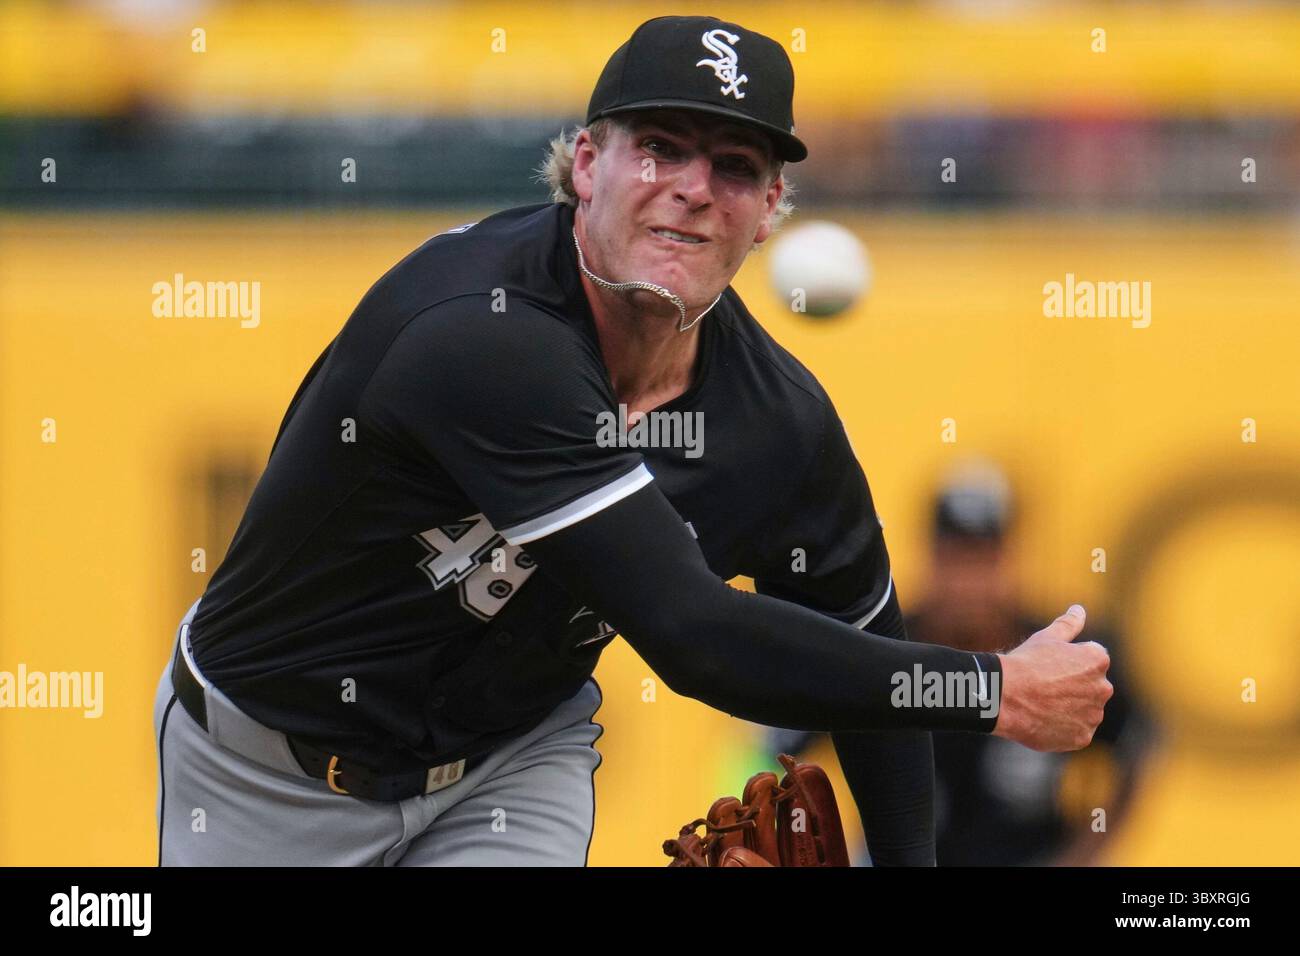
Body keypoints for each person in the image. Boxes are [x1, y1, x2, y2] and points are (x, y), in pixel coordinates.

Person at [153, 15, 1112, 867]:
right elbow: (693, 637)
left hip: (508, 766)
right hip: (266, 772)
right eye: (660, 147)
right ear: (584, 166)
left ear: (771, 211)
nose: (694, 189)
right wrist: (986, 688)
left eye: (735, 167)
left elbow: (866, 657)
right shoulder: (481, 329)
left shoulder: (779, 424)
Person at [771, 460, 1146, 864]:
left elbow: (1134, 748)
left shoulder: (1056, 654)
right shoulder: (878, 649)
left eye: (983, 561)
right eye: (955, 560)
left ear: (1009, 558)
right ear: (931, 558)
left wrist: (1079, 857)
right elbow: (772, 749)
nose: (969, 584)